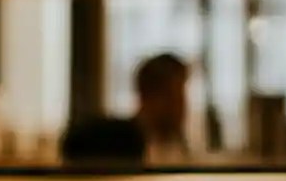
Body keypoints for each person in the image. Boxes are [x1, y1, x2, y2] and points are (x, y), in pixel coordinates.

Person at [61, 52, 191, 165]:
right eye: (176, 97)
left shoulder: (178, 150)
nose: (183, 107)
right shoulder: (110, 140)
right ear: (147, 97)